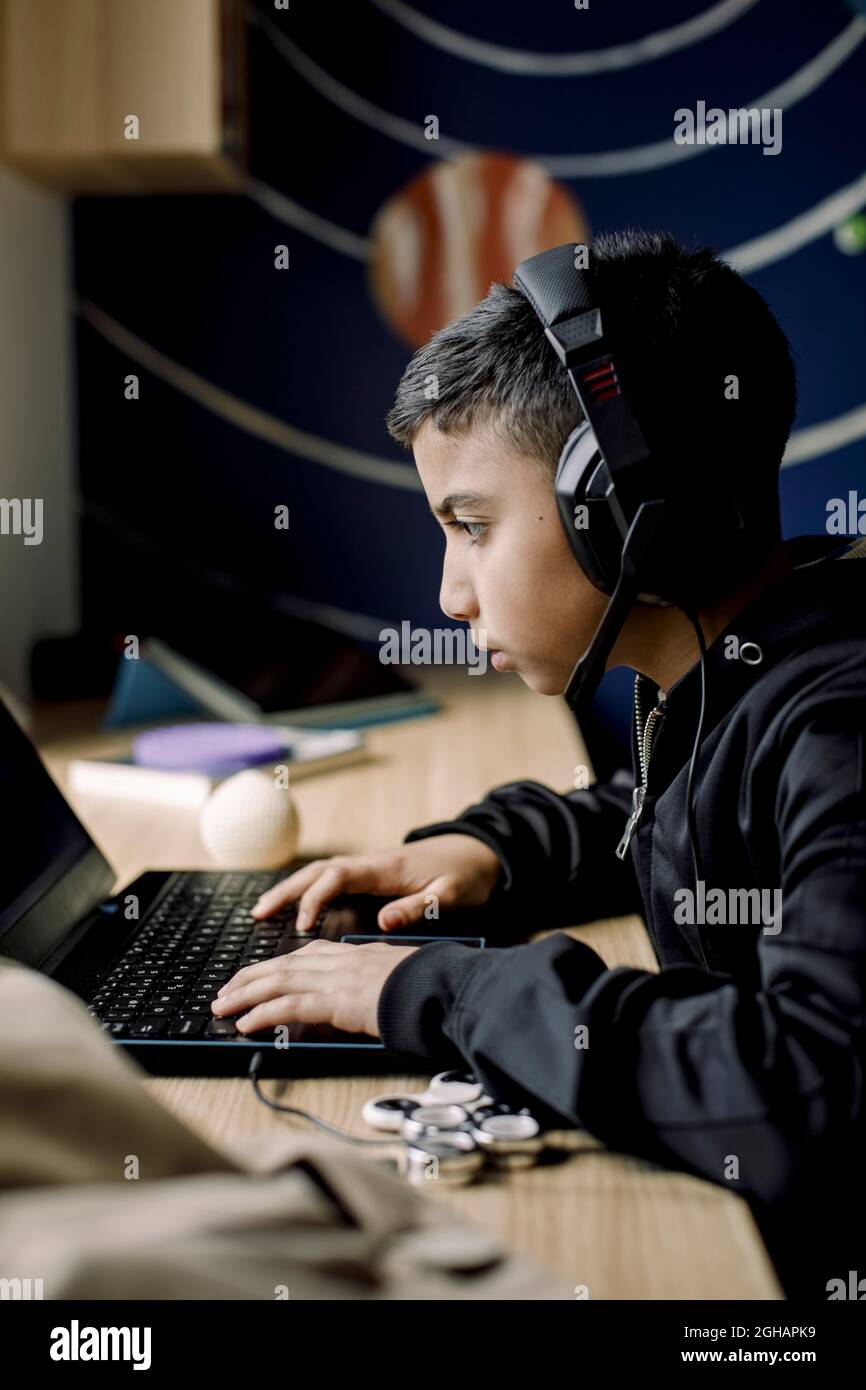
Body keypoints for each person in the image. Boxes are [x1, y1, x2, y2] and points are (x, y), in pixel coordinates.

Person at [213, 230, 866, 1297]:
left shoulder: (839, 718)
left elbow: (809, 1089)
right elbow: (661, 807)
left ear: (623, 516)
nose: (448, 595)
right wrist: (488, 848)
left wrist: (443, 989)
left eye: (469, 525)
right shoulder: (745, 668)